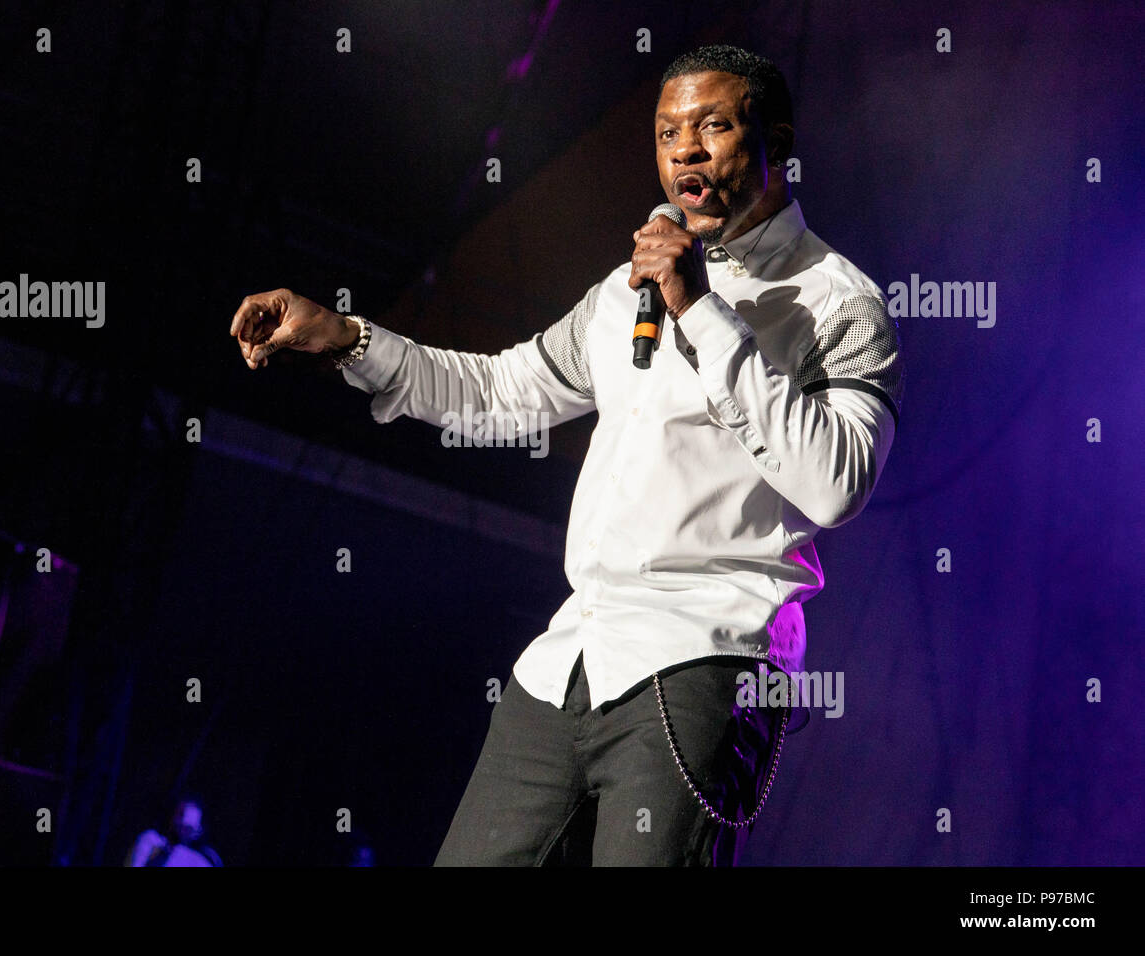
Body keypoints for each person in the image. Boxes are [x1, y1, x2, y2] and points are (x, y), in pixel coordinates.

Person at [229, 44, 904, 866]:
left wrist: (699, 309)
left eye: (713, 127)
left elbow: (836, 483)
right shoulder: (622, 296)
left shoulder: (840, 300)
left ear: (778, 140)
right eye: (666, 134)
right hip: (569, 657)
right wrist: (348, 339)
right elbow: (497, 395)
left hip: (709, 657)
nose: (684, 151)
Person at [125, 798, 222, 867]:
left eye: (188, 828)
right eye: (179, 816)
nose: (182, 830)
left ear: (199, 830)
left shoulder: (200, 860)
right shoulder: (151, 840)